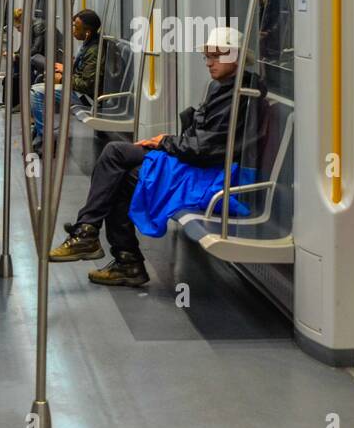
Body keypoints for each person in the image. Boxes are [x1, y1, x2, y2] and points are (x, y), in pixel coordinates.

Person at [48, 26, 266, 287]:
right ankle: (103, 243)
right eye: (207, 56)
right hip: (197, 162)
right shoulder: (222, 87)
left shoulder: (241, 95)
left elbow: (206, 149)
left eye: (217, 56)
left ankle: (105, 245)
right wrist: (169, 142)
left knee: (117, 161)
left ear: (237, 56)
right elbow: (203, 140)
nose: (209, 63)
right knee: (118, 167)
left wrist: (165, 142)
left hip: (212, 174)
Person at [30, 9, 100, 151]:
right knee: (41, 79)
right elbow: (83, 72)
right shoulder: (88, 44)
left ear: (87, 32)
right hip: (78, 90)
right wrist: (66, 69)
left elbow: (87, 85)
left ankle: (46, 138)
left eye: (76, 27)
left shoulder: (94, 51)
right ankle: (40, 132)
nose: (73, 30)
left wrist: (62, 79)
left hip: (85, 97)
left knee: (36, 93)